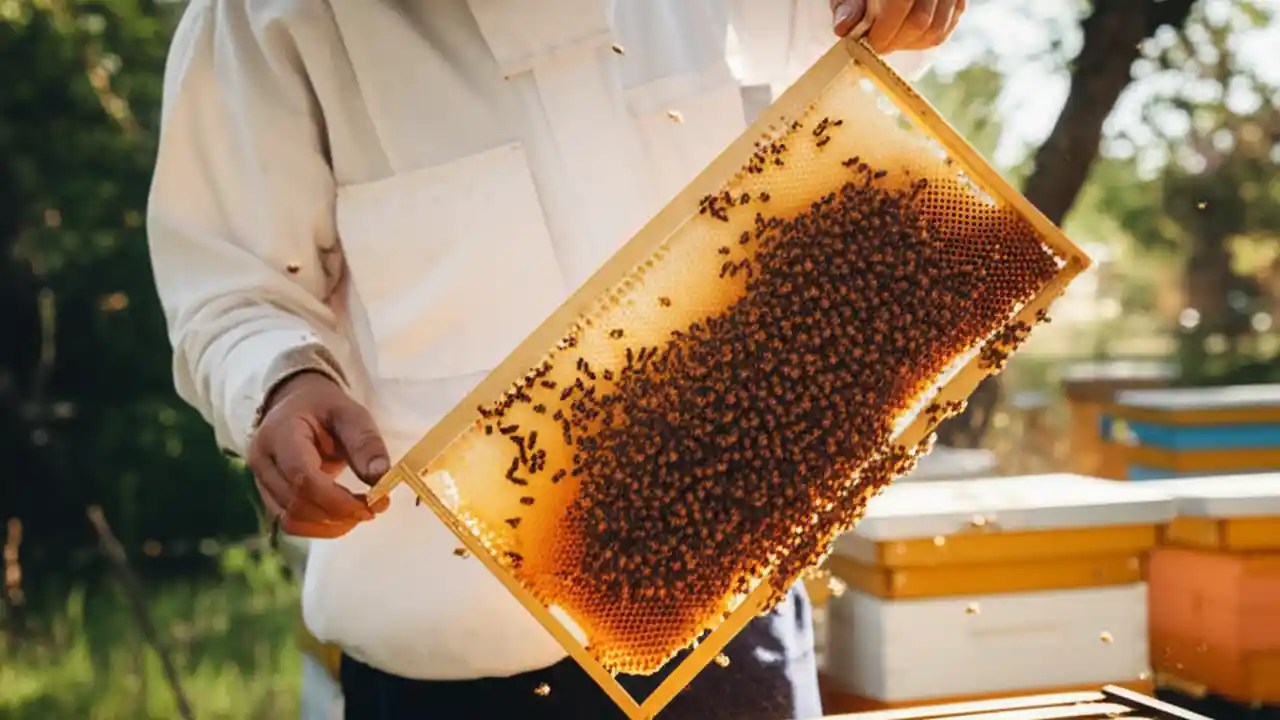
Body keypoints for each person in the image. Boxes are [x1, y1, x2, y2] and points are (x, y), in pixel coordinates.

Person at [147, 1, 964, 717]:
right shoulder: (262, 18)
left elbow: (872, 43)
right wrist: (282, 379)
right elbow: (232, 285)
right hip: (454, 666)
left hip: (738, 617)